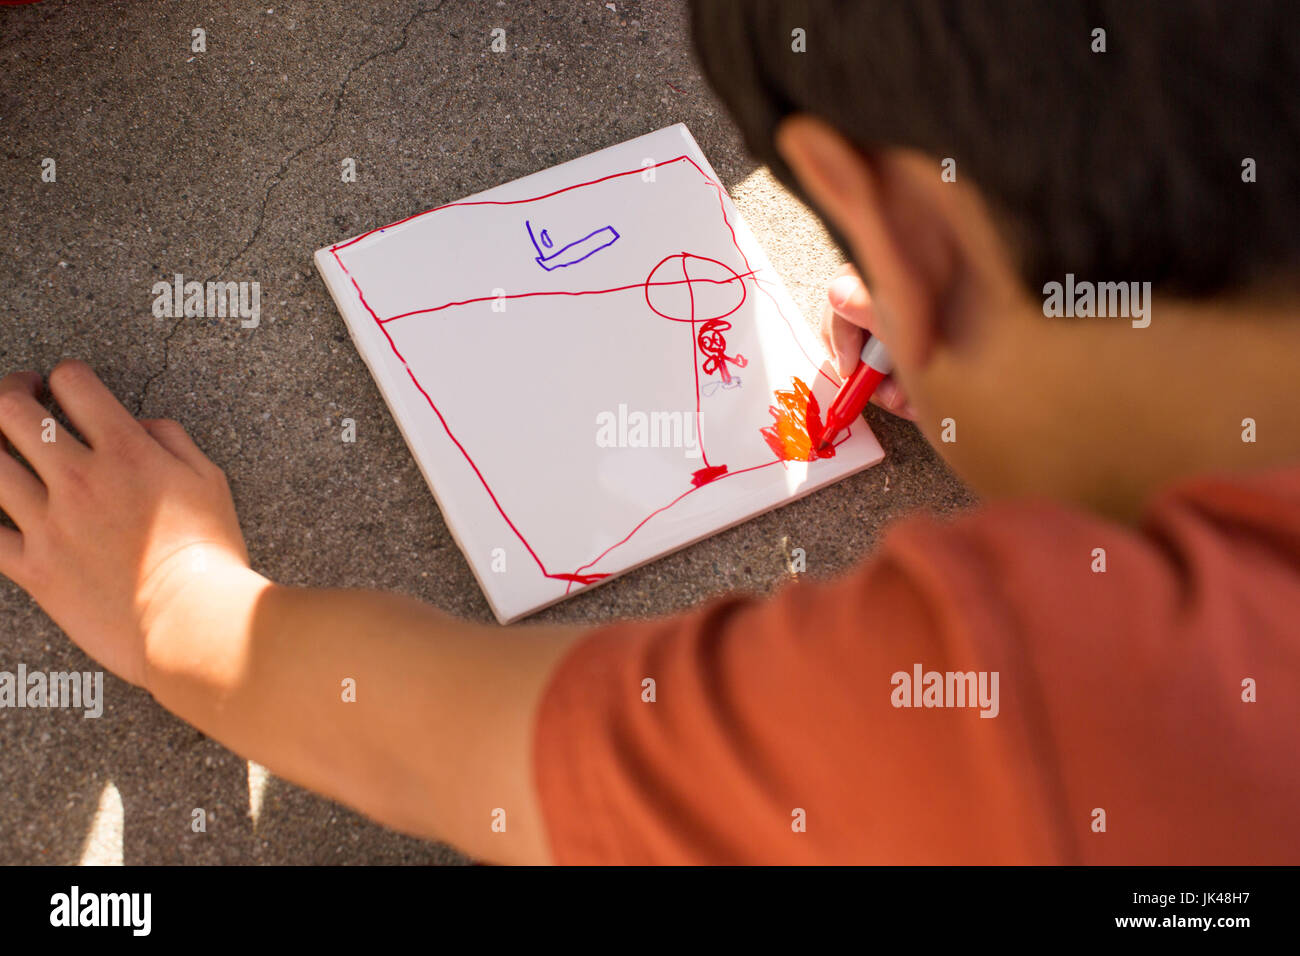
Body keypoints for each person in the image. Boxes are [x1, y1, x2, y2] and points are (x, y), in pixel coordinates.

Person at [1, 0, 1296, 864]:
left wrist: (175, 602)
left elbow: (450, 753)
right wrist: (1032, 374)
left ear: (895, 224)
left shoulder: (1031, 709)